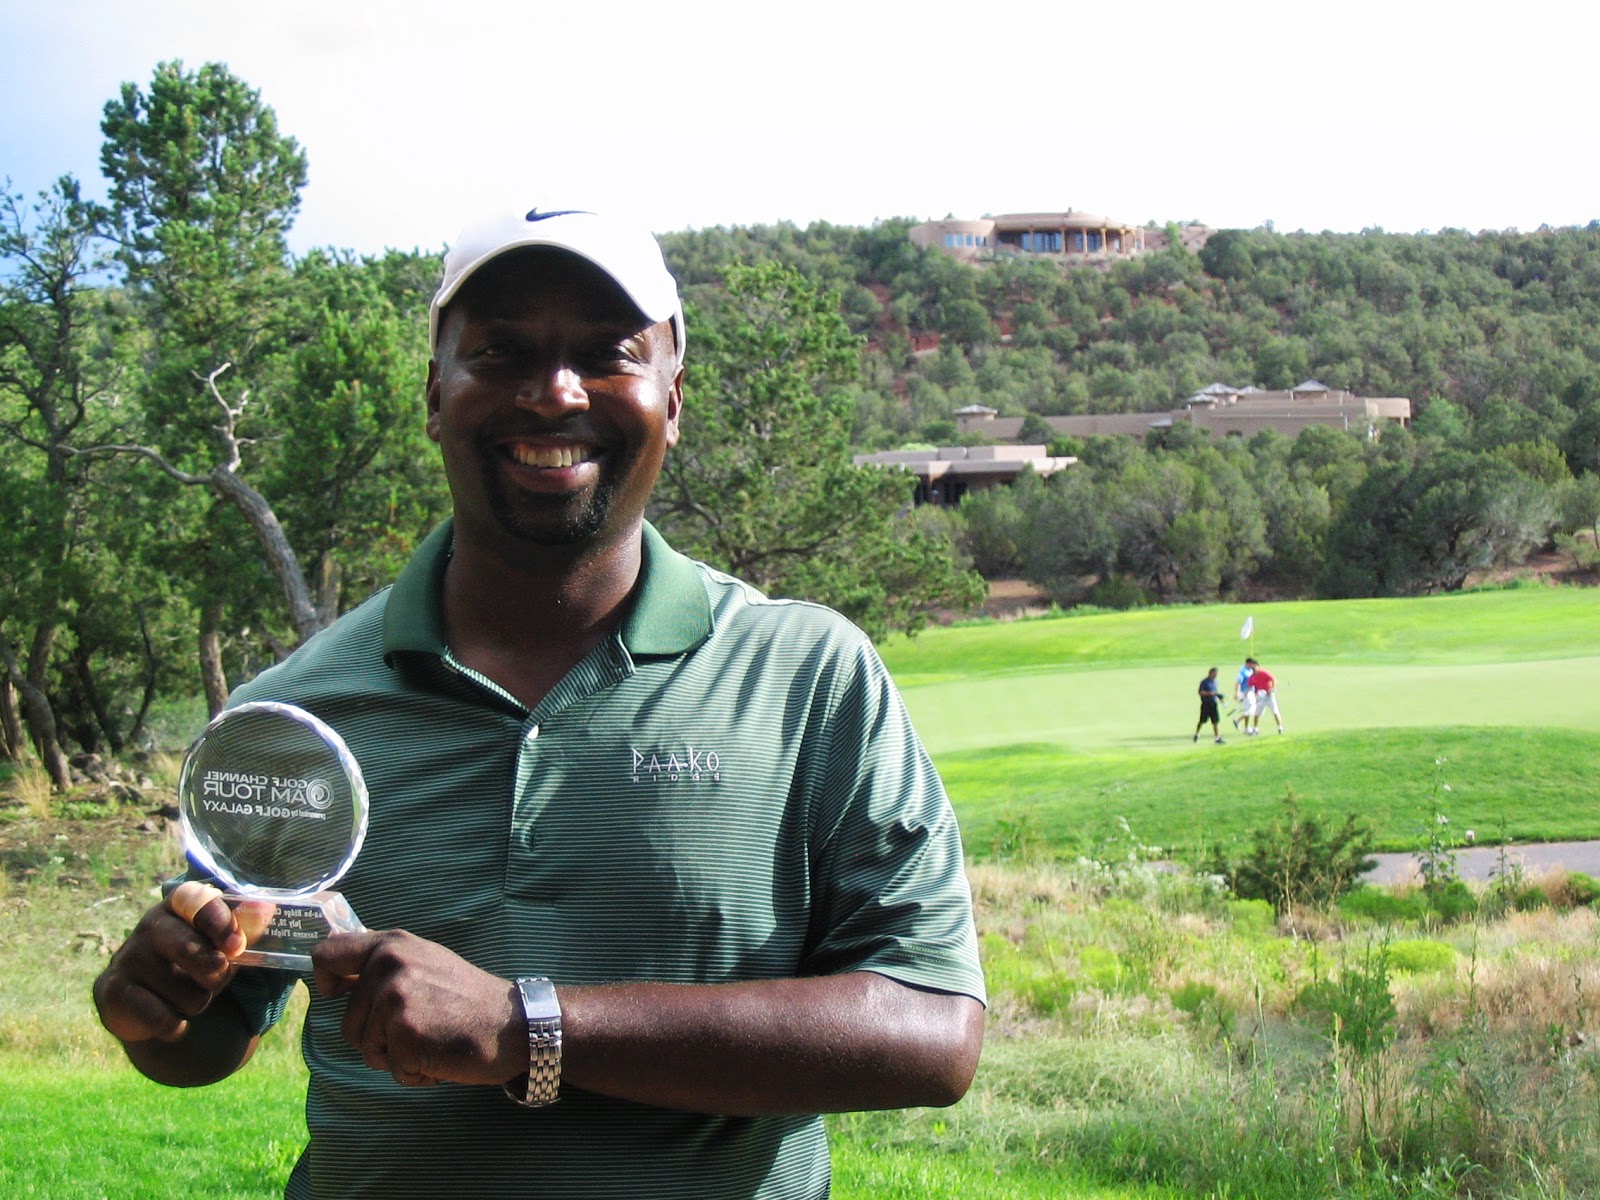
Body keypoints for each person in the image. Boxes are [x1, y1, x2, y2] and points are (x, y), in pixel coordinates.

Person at [92, 208, 986, 1200]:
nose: (554, 392)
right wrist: (162, 1008)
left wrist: (526, 1027)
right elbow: (210, 1034)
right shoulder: (296, 714)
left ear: (672, 400)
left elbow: (932, 1032)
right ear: (436, 395)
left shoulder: (809, 676)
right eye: (501, 351)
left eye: (607, 354)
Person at [1245, 661, 1284, 735]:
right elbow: (1250, 687)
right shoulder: (1251, 677)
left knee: (1275, 711)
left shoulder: (1264, 673)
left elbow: (1273, 680)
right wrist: (1250, 695)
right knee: (1257, 713)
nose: (1254, 669)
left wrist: (1272, 688)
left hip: (1269, 695)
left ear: (1258, 666)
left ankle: (1280, 728)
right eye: (1252, 668)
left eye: (1255, 667)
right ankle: (1255, 729)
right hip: (1260, 697)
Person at [1194, 667, 1225, 743]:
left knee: (1215, 721)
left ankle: (1217, 738)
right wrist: (1211, 693)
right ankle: (1197, 734)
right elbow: (1201, 692)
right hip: (1206, 704)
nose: (1215, 676)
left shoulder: (1216, 682)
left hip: (1214, 704)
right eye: (1214, 674)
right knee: (1202, 721)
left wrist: (1221, 700)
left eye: (1216, 674)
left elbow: (1216, 692)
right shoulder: (1204, 682)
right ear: (1210, 673)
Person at [1233, 656, 1257, 731]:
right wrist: (1237, 693)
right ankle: (1238, 720)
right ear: (1248, 663)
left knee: (1248, 709)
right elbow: (1238, 682)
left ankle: (1246, 728)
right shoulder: (1243, 671)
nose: (1253, 665)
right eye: (1252, 664)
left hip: (1251, 692)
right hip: (1245, 692)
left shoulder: (1251, 670)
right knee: (1252, 708)